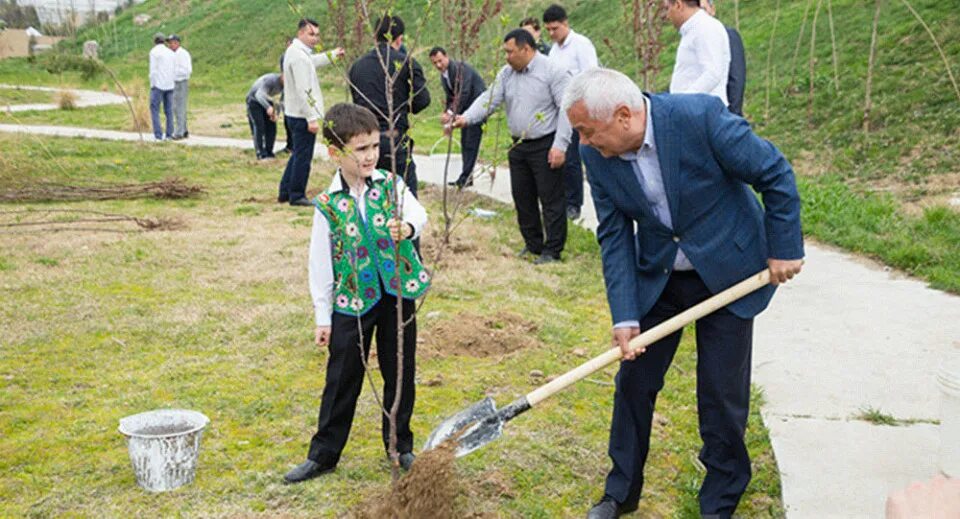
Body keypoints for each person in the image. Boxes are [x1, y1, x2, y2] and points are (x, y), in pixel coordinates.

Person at [561, 68, 803, 518]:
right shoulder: (596, 154)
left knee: (720, 395)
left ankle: (720, 501)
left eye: (588, 132)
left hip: (729, 273)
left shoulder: (701, 119)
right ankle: (620, 493)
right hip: (662, 278)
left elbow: (774, 172)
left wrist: (784, 247)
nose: (585, 143)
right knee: (633, 382)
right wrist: (625, 315)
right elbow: (614, 235)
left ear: (623, 116)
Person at [283, 103, 430, 484]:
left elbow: (419, 214)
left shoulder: (391, 184)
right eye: (361, 148)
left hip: (396, 295)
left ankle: (400, 445)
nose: (370, 155)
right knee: (342, 374)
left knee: (400, 371)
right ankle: (324, 454)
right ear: (336, 153)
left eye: (374, 146)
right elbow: (320, 261)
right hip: (352, 301)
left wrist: (408, 228)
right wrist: (323, 314)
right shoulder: (329, 204)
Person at [452, 29, 572, 265]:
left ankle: (553, 250)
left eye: (510, 51)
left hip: (545, 143)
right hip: (518, 145)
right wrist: (465, 118)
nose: (506, 57)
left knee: (551, 199)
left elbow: (566, 110)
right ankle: (533, 244)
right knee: (523, 197)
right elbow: (490, 99)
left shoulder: (552, 72)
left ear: (526, 49)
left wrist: (561, 145)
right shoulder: (507, 74)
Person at [349, 14, 431, 198]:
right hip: (394, 135)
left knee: (370, 197)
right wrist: (403, 107)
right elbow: (423, 99)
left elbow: (356, 102)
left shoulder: (357, 66)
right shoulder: (406, 62)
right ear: (399, 38)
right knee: (405, 197)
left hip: (365, 139)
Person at [543, 3, 599, 221]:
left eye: (555, 28)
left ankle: (575, 203)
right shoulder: (554, 51)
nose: (551, 33)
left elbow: (591, 75)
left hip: (580, 109)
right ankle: (563, 200)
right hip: (560, 111)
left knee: (574, 159)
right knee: (561, 156)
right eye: (548, 29)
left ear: (565, 24)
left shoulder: (581, 45)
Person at [279, 18, 343, 207]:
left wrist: (331, 55)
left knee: (297, 153)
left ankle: (285, 191)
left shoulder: (298, 52)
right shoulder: (298, 56)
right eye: (311, 34)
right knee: (303, 157)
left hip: (294, 113)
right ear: (300, 33)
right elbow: (303, 89)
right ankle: (297, 195)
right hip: (301, 116)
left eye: (317, 34)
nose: (315, 38)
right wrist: (311, 118)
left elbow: (312, 61)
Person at [430, 47, 485, 189]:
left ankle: (465, 177)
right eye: (434, 63)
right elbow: (450, 97)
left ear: (447, 57)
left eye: (440, 61)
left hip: (477, 108)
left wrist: (450, 113)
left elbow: (463, 93)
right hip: (464, 111)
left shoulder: (460, 69)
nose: (438, 65)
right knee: (465, 142)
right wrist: (447, 115)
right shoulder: (444, 75)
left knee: (471, 142)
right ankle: (466, 177)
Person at [665, 0, 731, 106]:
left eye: (667, 8)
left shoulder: (705, 27)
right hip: (696, 110)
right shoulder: (694, 29)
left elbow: (713, 73)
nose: (667, 15)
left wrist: (683, 101)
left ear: (678, 5)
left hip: (703, 113)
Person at [701, 0, 746, 116]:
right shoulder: (692, 42)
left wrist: (730, 119)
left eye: (703, 10)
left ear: (712, 10)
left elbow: (736, 80)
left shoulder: (727, 36)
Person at [246, 73, 283, 160]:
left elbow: (280, 102)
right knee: (259, 126)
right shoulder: (271, 80)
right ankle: (261, 153)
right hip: (254, 100)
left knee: (272, 127)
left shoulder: (287, 86)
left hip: (267, 101)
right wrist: (268, 107)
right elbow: (259, 95)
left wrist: (276, 113)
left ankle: (269, 152)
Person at [148, 32, 175, 142]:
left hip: (158, 84)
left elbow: (153, 70)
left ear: (154, 41)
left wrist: (152, 84)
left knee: (155, 109)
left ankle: (158, 135)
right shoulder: (170, 53)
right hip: (170, 84)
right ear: (164, 41)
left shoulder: (154, 52)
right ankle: (169, 134)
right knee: (168, 110)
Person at [167, 34, 192, 140]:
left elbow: (187, 70)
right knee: (177, 107)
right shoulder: (173, 54)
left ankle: (179, 132)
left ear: (177, 43)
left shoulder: (183, 54)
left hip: (181, 82)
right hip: (174, 82)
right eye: (169, 43)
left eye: (172, 42)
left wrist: (173, 73)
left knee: (179, 107)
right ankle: (184, 129)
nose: (170, 45)